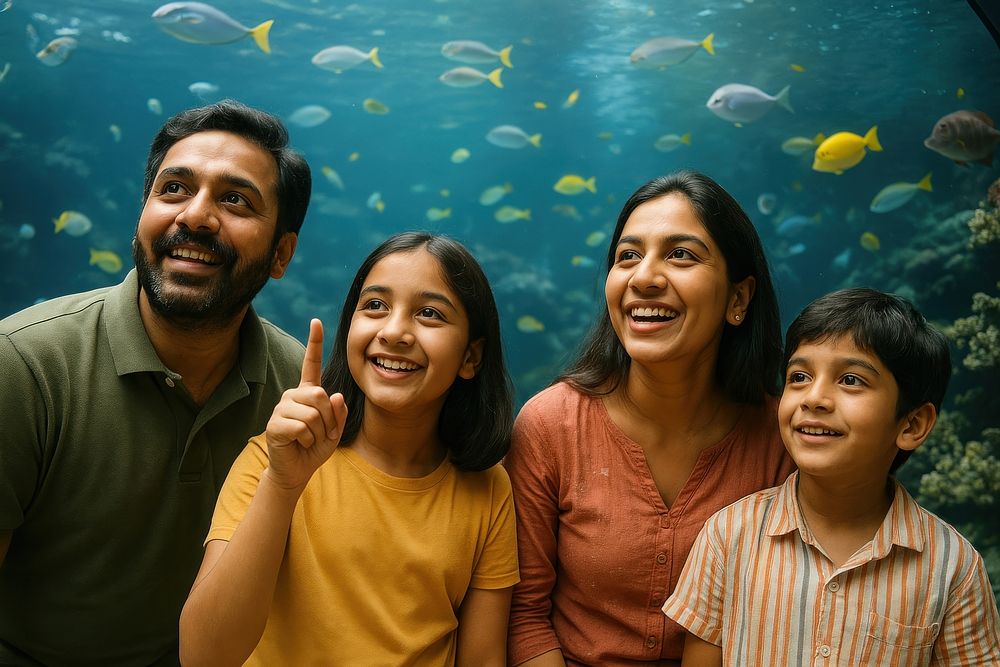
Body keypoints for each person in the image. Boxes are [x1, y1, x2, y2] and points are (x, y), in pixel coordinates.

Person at [0, 99, 311, 666]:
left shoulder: (296, 391)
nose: (194, 216)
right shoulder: (23, 367)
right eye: (173, 189)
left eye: (235, 199)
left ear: (281, 254)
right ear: (140, 214)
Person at [179, 231, 519, 666]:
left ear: (471, 357)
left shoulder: (488, 489)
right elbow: (202, 657)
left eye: (430, 313)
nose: (394, 331)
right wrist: (283, 486)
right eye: (375, 305)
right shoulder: (272, 459)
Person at [505, 170, 796, 666]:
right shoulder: (550, 425)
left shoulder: (782, 438)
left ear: (738, 299)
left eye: (681, 254)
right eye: (628, 256)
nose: (644, 278)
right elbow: (524, 615)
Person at [664, 288, 1000, 665]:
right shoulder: (728, 536)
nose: (814, 398)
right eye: (800, 376)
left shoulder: (953, 567)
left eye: (851, 380)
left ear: (912, 423)